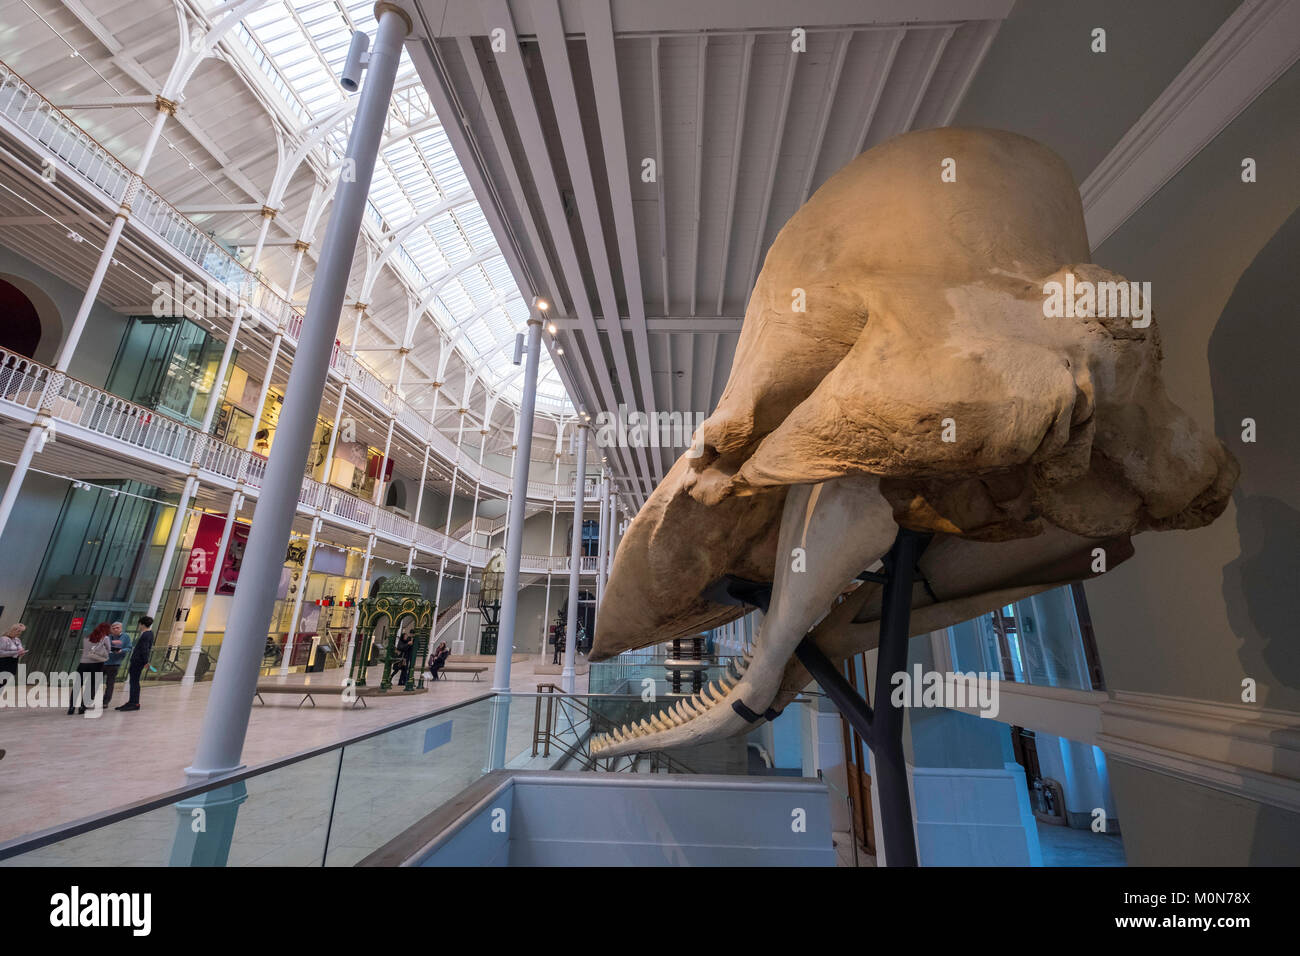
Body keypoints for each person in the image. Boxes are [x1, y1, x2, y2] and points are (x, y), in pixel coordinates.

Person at [68, 622, 111, 715]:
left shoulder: (87, 637)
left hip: (83, 664)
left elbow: (86, 650)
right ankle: (82, 707)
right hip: (97, 664)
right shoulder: (105, 638)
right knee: (90, 686)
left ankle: (71, 707)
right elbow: (108, 650)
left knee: (77, 685)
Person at [116, 616, 154, 712]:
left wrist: (145, 661)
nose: (139, 626)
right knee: (133, 681)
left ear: (142, 624)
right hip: (139, 661)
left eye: (140, 624)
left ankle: (134, 703)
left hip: (138, 661)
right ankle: (132, 701)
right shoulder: (149, 634)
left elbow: (145, 649)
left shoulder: (146, 635)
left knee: (134, 682)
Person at [103, 621, 130, 706]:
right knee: (95, 682)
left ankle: (105, 702)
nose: (115, 629)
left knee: (110, 684)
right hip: (103, 662)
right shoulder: (108, 637)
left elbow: (129, 648)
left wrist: (122, 651)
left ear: (121, 628)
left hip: (115, 664)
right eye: (113, 628)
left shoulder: (125, 637)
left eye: (117, 628)